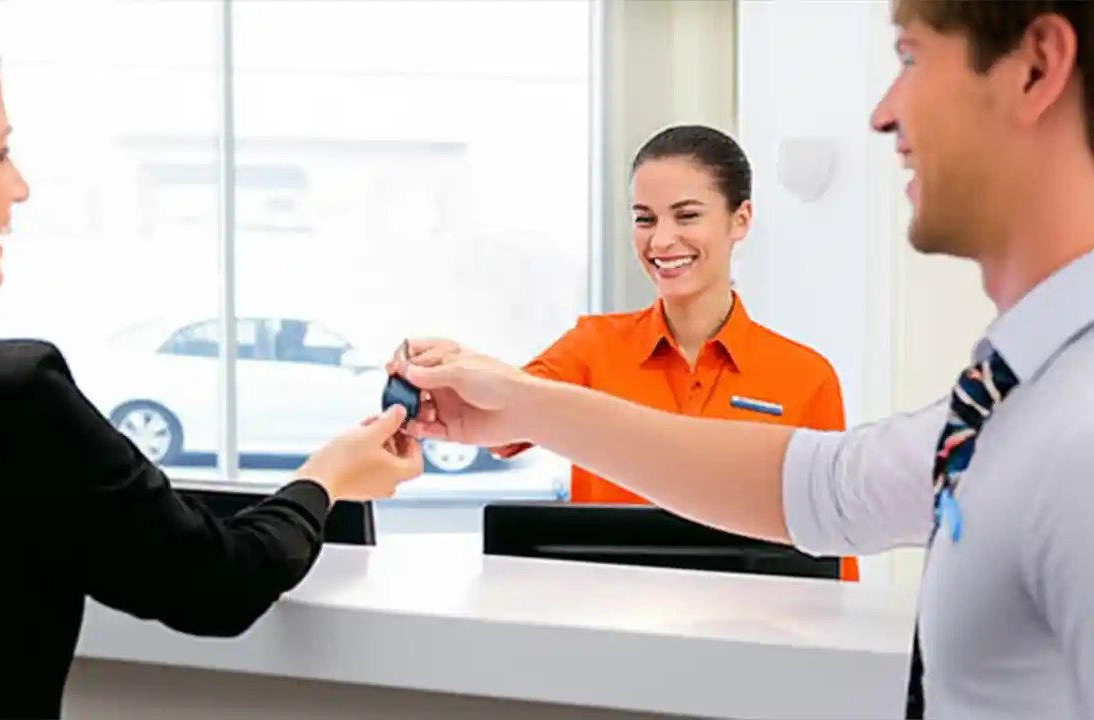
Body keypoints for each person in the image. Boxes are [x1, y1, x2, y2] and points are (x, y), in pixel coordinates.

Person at [391, 2, 1093, 718]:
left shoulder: (1074, 427)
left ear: (1035, 68)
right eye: (645, 218)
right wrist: (515, 400)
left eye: (910, 58)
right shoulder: (1000, 406)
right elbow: (821, 489)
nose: (883, 113)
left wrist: (522, 402)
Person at [0, 2, 422, 718]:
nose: (19, 187)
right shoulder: (0, 396)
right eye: (0, 152)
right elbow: (216, 583)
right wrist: (328, 478)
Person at [486, 124, 857, 580]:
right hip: (608, 614)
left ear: (740, 220)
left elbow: (834, 553)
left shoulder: (806, 377)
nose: (661, 241)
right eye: (645, 219)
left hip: (754, 621)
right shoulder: (591, 349)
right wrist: (443, 380)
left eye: (686, 216)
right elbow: (499, 427)